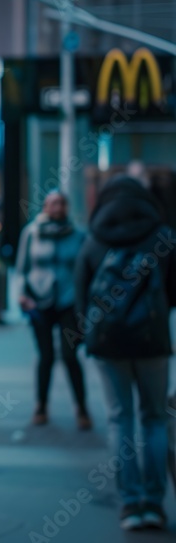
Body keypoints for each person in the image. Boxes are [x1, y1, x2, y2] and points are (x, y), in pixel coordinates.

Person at [75, 176, 175, 531]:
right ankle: (154, 503)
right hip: (152, 342)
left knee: (120, 418)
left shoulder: (94, 240)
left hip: (108, 343)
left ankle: (130, 504)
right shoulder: (163, 237)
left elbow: (81, 295)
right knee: (155, 418)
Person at [14, 190, 91, 429]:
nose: (58, 207)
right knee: (45, 356)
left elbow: (86, 269)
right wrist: (22, 295)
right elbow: (22, 268)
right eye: (53, 203)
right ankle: (41, 406)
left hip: (69, 301)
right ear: (45, 207)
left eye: (62, 203)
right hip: (40, 300)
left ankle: (81, 408)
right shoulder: (32, 233)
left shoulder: (79, 235)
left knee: (70, 356)